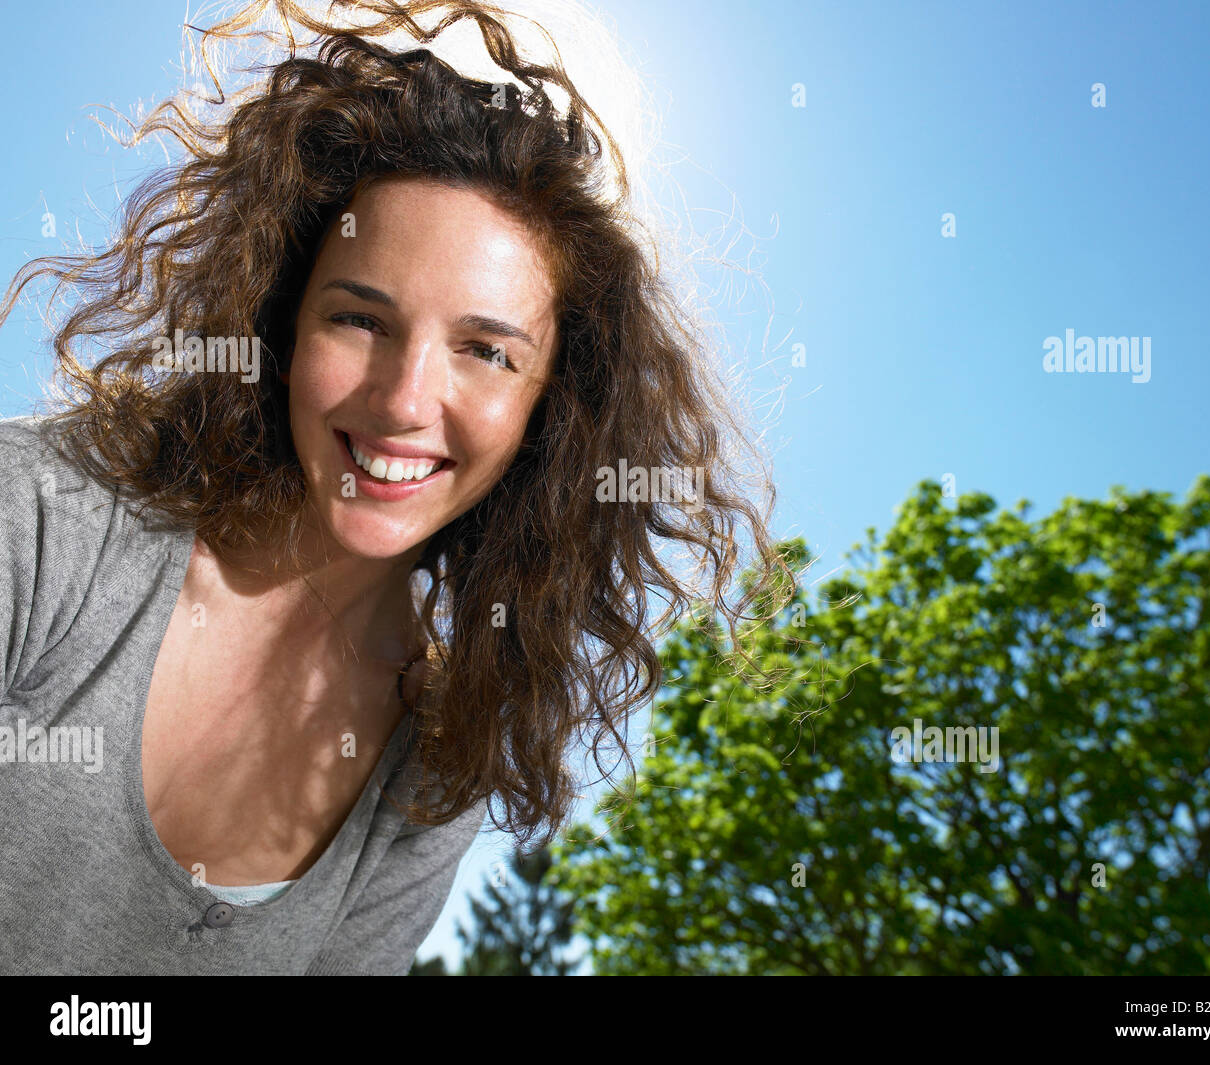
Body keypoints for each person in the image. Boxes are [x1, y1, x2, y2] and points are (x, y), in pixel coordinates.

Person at [0, 0, 790, 974]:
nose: (407, 401)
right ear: (284, 326)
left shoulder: (430, 770)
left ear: (552, 409)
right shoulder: (36, 520)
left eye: (485, 351)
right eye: (361, 321)